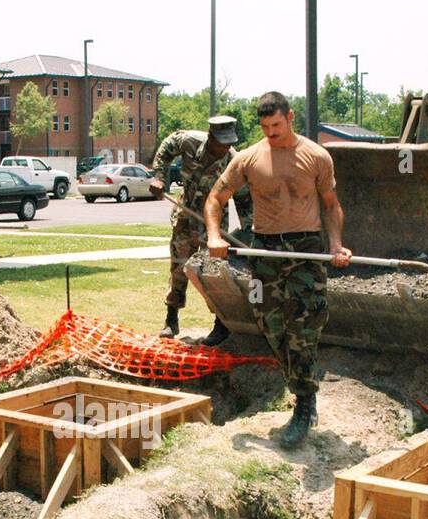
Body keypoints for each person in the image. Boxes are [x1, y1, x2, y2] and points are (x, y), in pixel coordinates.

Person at [204, 92, 352, 449]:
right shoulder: (250, 158)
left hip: (305, 251)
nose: (271, 133)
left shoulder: (317, 156)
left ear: (290, 117)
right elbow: (214, 199)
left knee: (304, 327)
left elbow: (331, 206)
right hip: (265, 249)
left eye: (277, 125)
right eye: (265, 127)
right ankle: (301, 386)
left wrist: (335, 245)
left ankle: (303, 402)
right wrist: (213, 235)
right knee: (270, 325)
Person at [148, 115, 253, 344]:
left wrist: (248, 231)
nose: (226, 147)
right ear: (210, 137)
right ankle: (171, 319)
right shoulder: (189, 142)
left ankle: (221, 324)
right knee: (178, 266)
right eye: (221, 142)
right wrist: (158, 177)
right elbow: (166, 147)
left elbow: (244, 200)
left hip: (213, 225)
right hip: (186, 214)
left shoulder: (233, 162)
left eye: (229, 142)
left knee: (213, 271)